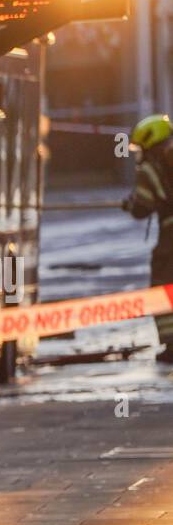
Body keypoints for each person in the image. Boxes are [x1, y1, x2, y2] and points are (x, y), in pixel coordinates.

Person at [122, 114, 173, 362]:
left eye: (139, 148)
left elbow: (141, 209)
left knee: (163, 286)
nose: (137, 153)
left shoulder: (150, 169)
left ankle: (171, 344)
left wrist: (129, 204)